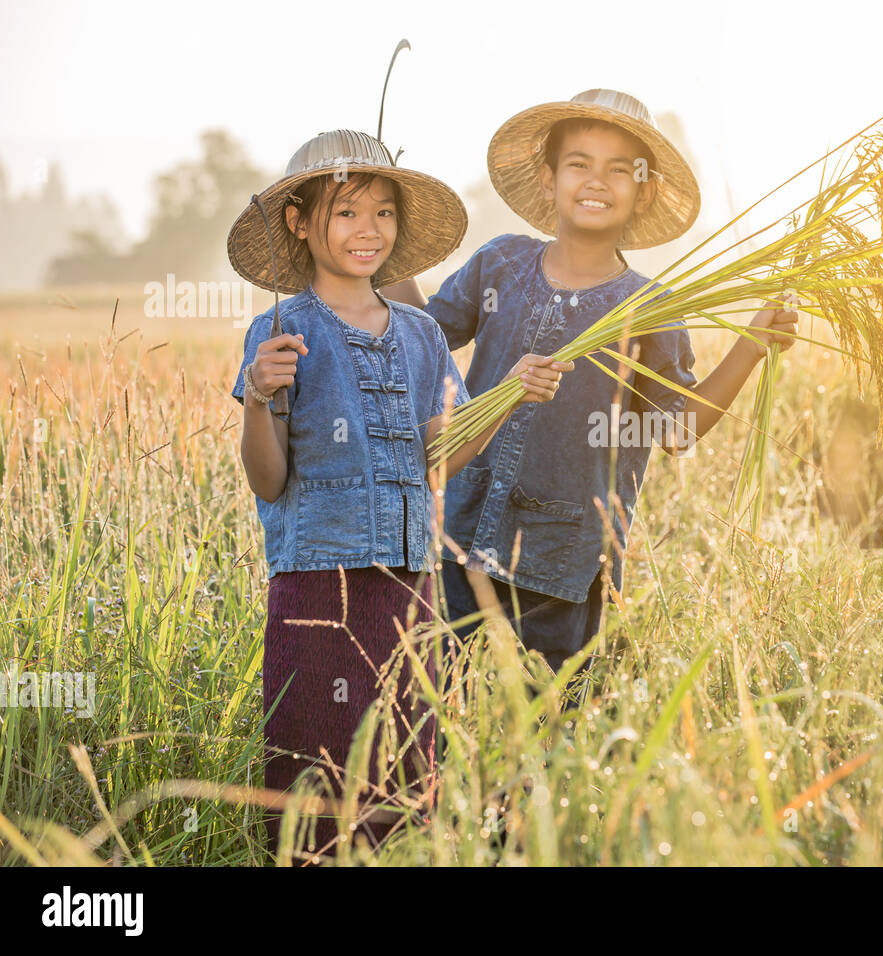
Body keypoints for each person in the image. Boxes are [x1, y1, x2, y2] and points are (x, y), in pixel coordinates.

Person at [227, 128, 571, 862]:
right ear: (298, 220)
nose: (368, 231)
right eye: (347, 212)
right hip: (317, 588)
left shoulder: (420, 335)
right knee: (315, 775)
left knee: (405, 771)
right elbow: (267, 480)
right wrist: (259, 397)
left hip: (408, 589)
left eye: (383, 214)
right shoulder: (282, 332)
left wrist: (510, 392)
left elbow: (439, 459)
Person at [383, 89, 797, 684]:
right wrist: (387, 252)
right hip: (459, 538)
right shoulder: (499, 264)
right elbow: (424, 337)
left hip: (569, 565)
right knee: (433, 716)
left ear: (643, 190)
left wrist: (751, 344)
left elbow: (676, 430)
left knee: (545, 736)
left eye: (619, 169)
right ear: (549, 179)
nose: (595, 181)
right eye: (578, 163)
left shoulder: (649, 306)